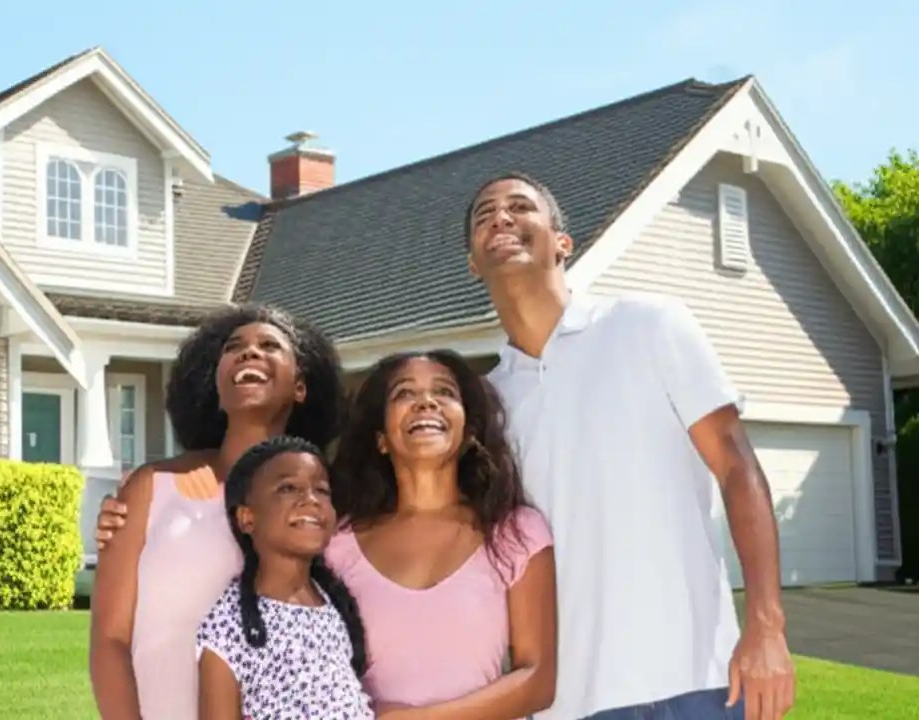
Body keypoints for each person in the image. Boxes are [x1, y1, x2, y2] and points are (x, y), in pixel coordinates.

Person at [466, 171, 795, 719]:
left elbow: (737, 469)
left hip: (694, 681)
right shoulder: (487, 404)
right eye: (484, 215)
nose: (500, 218)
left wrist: (766, 624)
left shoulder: (650, 325)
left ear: (562, 244)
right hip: (563, 703)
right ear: (474, 263)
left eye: (520, 207)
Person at [88, 304, 343, 720]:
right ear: (216, 386)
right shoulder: (150, 488)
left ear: (300, 386)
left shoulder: (321, 504)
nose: (249, 353)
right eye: (234, 347)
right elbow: (109, 639)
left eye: (269, 345)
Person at [326, 349, 557, 719]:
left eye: (445, 392)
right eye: (404, 393)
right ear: (381, 438)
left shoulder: (516, 533)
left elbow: (538, 681)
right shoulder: (336, 544)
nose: (426, 402)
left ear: (469, 433)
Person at [196, 435, 374, 720]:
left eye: (322, 490)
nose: (311, 500)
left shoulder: (334, 604)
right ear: (246, 518)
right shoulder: (229, 624)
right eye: (288, 488)